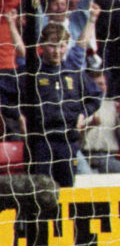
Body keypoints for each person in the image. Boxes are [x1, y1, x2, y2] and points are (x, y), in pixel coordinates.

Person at [21, 25, 95, 189]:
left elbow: (95, 96)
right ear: (41, 45)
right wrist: (19, 116)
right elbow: (7, 95)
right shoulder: (31, 72)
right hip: (40, 142)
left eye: (61, 46)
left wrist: (83, 113)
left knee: (66, 190)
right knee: (41, 191)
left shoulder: (73, 73)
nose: (57, 51)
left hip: (67, 141)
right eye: (52, 46)